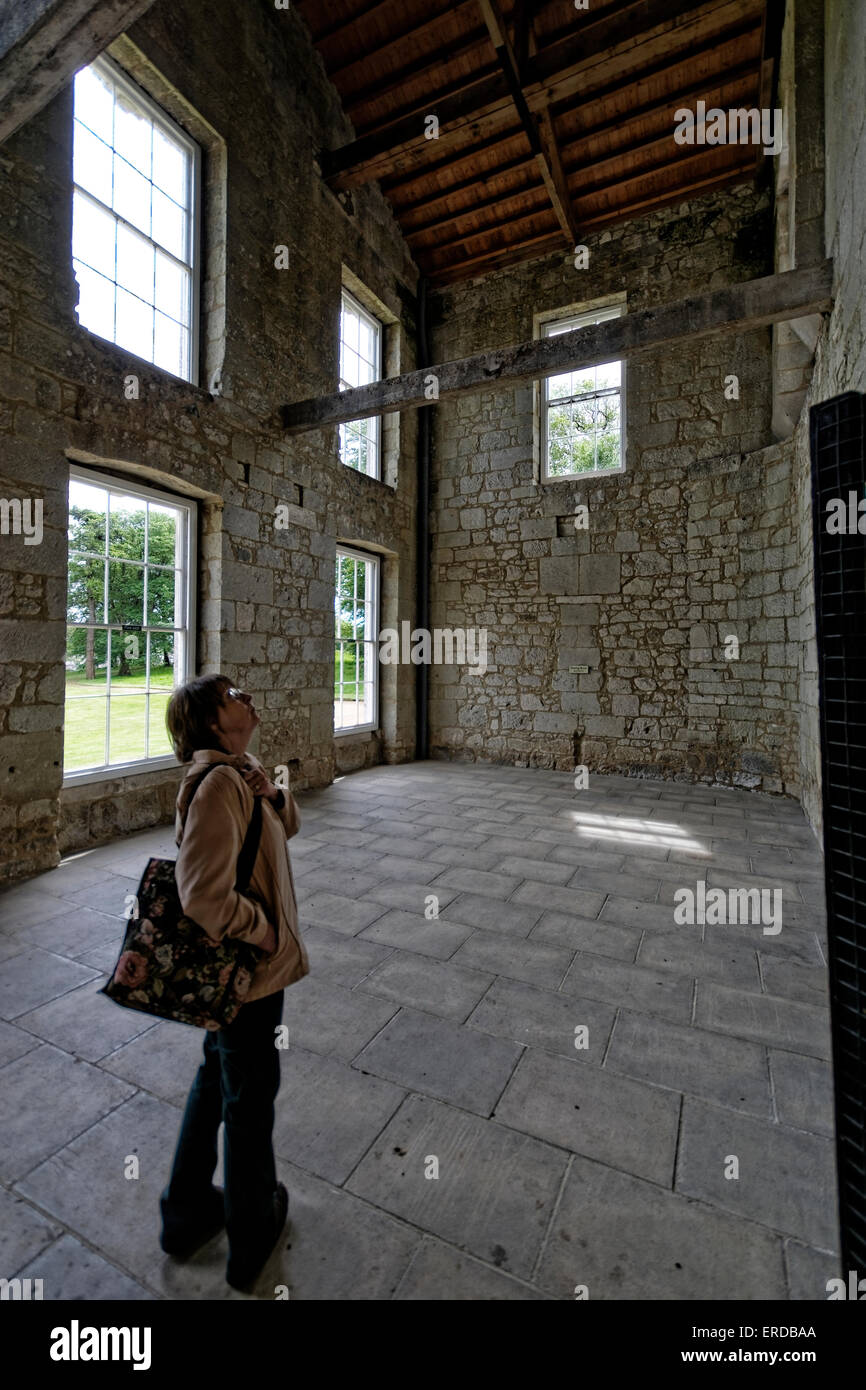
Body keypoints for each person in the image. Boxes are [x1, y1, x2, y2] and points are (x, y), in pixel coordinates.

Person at [158, 673, 309, 1292]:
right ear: (213, 722)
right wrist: (266, 931)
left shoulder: (241, 769)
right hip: (246, 969)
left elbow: (286, 828)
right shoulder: (218, 783)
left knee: (215, 1080)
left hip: (241, 972)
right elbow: (202, 897)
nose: (246, 697)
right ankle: (251, 1234)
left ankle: (186, 1214)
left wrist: (271, 791)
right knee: (249, 1095)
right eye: (231, 695)